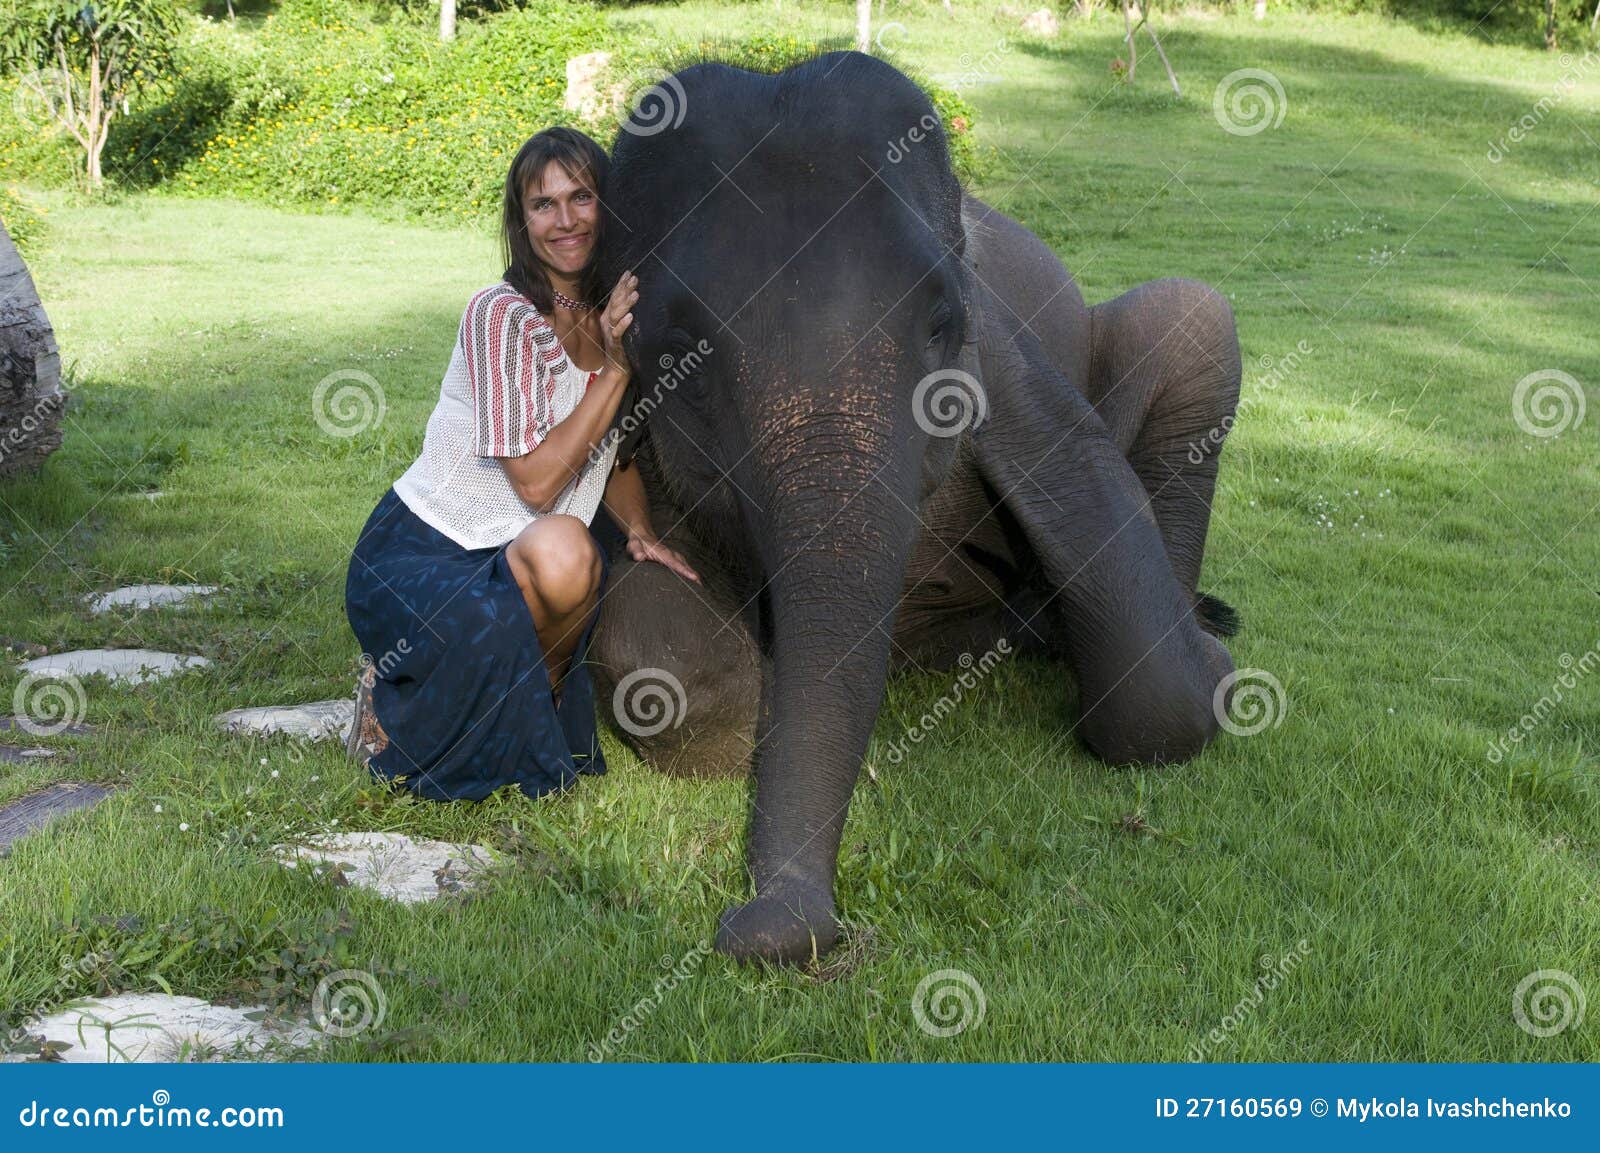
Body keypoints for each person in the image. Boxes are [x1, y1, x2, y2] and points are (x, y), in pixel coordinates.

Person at [342, 126, 699, 802]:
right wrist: (618, 370)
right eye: (543, 204)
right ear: (521, 218)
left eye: (582, 197)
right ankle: (389, 710)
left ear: (607, 205)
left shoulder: (617, 309)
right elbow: (536, 482)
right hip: (424, 550)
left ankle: (517, 714)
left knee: (571, 554)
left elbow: (610, 447)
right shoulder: (500, 315)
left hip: (519, 552)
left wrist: (640, 529)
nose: (564, 220)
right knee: (555, 552)